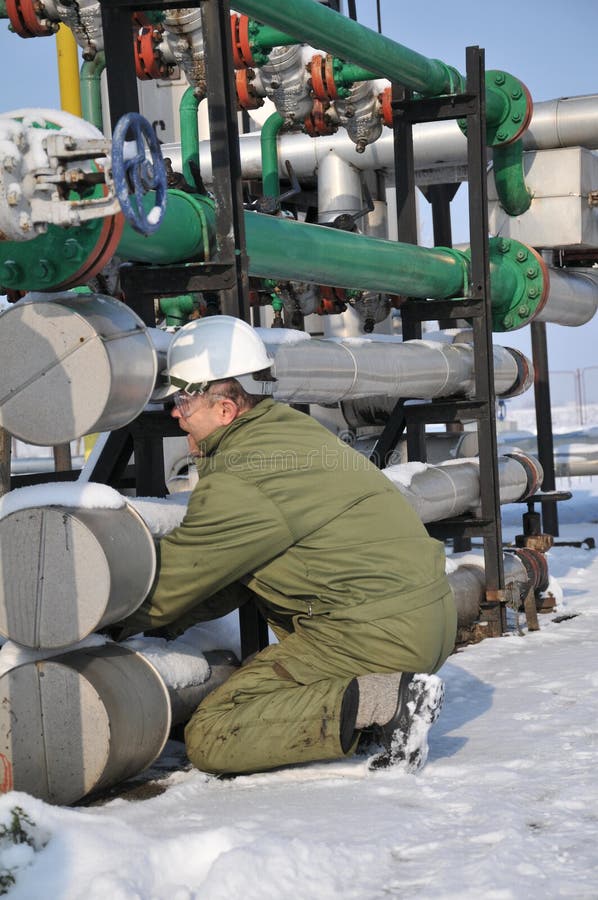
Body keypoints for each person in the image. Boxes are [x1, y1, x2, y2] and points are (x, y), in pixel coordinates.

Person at [119, 315, 457, 776]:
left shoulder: (242, 475)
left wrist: (99, 617)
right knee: (269, 686)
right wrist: (176, 621)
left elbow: (170, 585)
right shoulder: (290, 433)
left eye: (182, 399)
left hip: (376, 635)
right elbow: (234, 579)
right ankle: (378, 703)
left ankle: (388, 703)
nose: (175, 414)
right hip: (428, 617)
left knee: (213, 732)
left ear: (225, 408)